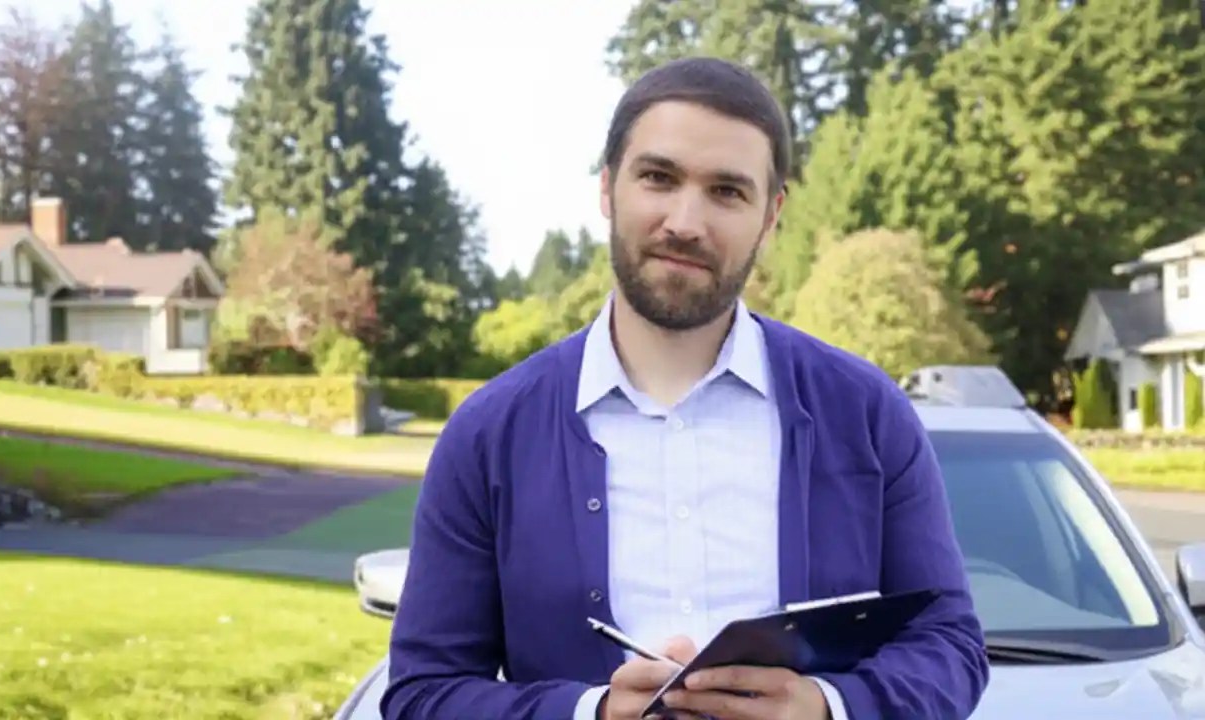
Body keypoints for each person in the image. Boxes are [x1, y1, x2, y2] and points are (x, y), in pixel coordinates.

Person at [380, 56, 989, 720]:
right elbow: (424, 692)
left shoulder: (868, 414)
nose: (685, 222)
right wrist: (591, 713)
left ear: (771, 215)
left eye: (727, 191)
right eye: (659, 178)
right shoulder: (489, 433)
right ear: (608, 188)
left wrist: (825, 707)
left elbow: (949, 646)